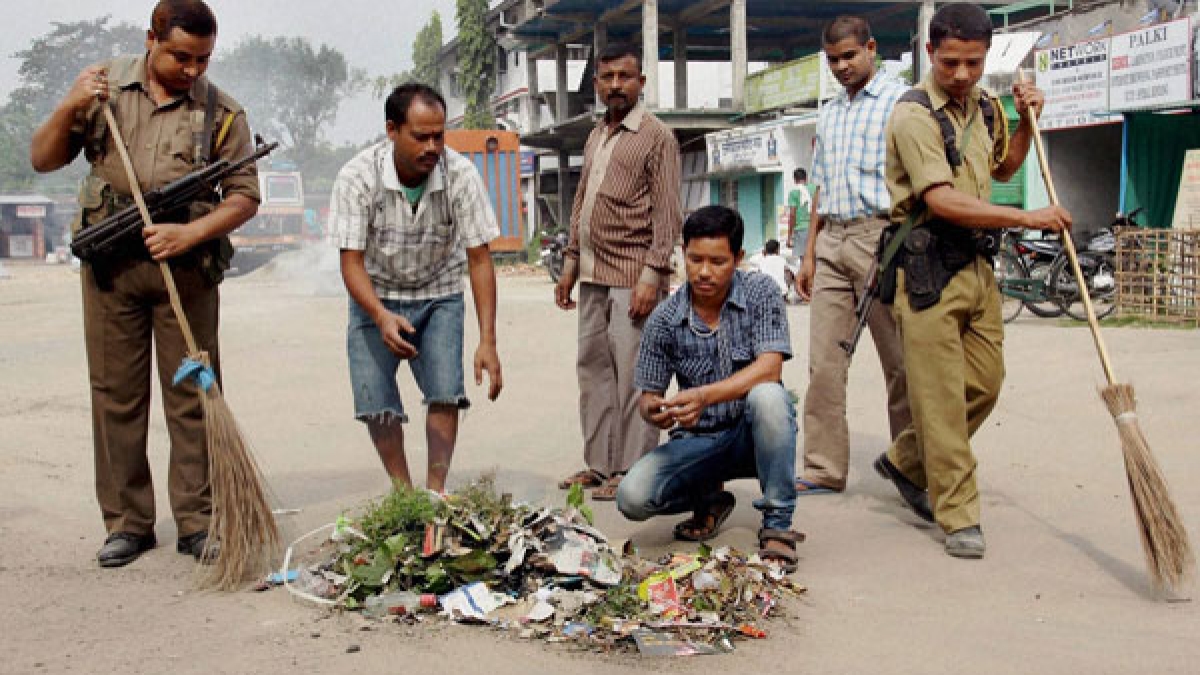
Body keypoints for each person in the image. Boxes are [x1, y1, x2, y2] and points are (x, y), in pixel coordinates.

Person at [29, 0, 258, 568]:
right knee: (115, 397)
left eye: (204, 59)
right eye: (181, 56)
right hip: (111, 272)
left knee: (195, 395)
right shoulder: (102, 93)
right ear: (150, 39)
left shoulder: (222, 112)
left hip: (186, 274)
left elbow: (245, 197)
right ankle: (128, 523)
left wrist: (190, 234)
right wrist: (69, 106)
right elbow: (42, 158)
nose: (193, 70)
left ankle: (198, 522)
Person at [877, 3, 1070, 558]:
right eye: (952, 62)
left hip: (978, 267)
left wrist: (1029, 123)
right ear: (932, 52)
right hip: (926, 268)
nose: (962, 74)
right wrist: (1028, 219)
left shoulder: (985, 106)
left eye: (975, 62)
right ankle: (958, 515)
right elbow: (940, 199)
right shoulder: (913, 113)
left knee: (983, 385)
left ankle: (905, 461)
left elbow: (1005, 169)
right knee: (938, 400)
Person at [327, 83, 503, 494]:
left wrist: (488, 340)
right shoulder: (357, 177)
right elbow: (350, 262)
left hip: (440, 293)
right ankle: (404, 495)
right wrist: (379, 315)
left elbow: (479, 258)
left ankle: (435, 493)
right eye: (420, 136)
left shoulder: (460, 175)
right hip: (377, 296)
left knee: (445, 393)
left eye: (439, 136)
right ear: (392, 130)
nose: (432, 146)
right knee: (376, 402)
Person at [616, 205, 803, 571]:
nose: (704, 272)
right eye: (695, 259)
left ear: (738, 258)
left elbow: (770, 367)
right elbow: (647, 397)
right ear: (682, 255)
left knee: (770, 397)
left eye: (717, 261)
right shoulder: (664, 319)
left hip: (753, 437)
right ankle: (709, 499)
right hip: (698, 443)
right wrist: (656, 410)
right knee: (632, 498)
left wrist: (703, 396)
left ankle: (778, 526)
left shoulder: (761, 293)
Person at [554, 43, 683, 501]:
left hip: (633, 276)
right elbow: (580, 202)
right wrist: (569, 264)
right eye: (607, 77)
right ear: (597, 84)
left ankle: (631, 468)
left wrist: (653, 275)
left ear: (641, 82)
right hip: (591, 274)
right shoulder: (596, 135)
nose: (615, 85)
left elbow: (668, 214)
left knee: (633, 376)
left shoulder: (656, 136)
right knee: (593, 372)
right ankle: (599, 463)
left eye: (624, 77)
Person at [794, 16, 911, 496]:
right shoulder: (831, 110)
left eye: (849, 56)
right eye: (833, 60)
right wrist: (809, 253)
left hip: (881, 239)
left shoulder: (901, 103)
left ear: (871, 49)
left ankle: (913, 466)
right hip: (832, 243)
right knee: (823, 362)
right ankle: (823, 467)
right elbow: (819, 186)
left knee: (901, 363)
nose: (841, 67)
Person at [785, 168, 814, 253]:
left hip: (801, 229)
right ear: (806, 178)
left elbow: (792, 215)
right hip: (815, 228)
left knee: (803, 259)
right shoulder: (814, 188)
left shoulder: (793, 193)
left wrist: (789, 237)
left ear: (795, 180)